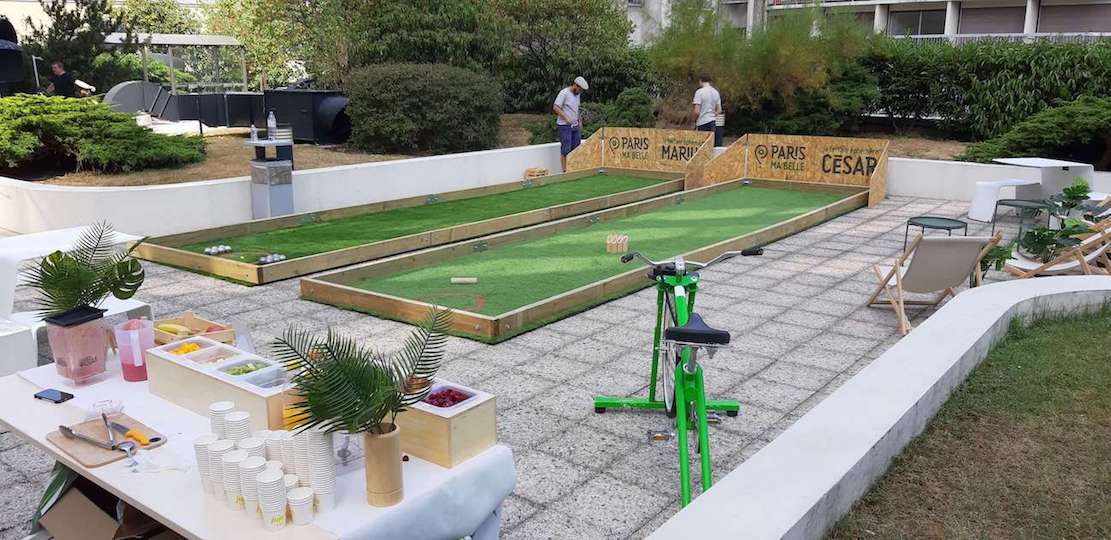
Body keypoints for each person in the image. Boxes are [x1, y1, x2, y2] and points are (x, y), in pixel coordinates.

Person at [553, 76, 588, 172]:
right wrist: (566, 118)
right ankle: (565, 170)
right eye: (580, 89)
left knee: (576, 147)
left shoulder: (578, 95)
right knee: (566, 148)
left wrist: (579, 121)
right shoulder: (564, 93)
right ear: (575, 85)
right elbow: (555, 107)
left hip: (575, 125)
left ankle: (573, 168)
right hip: (564, 125)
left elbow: (576, 109)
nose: (580, 92)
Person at [692, 74, 722, 147]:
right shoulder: (716, 92)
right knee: (711, 146)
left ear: (700, 81)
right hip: (712, 122)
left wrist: (693, 121)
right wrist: (712, 114)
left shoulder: (699, 92)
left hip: (702, 122)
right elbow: (719, 110)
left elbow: (697, 111)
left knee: (702, 147)